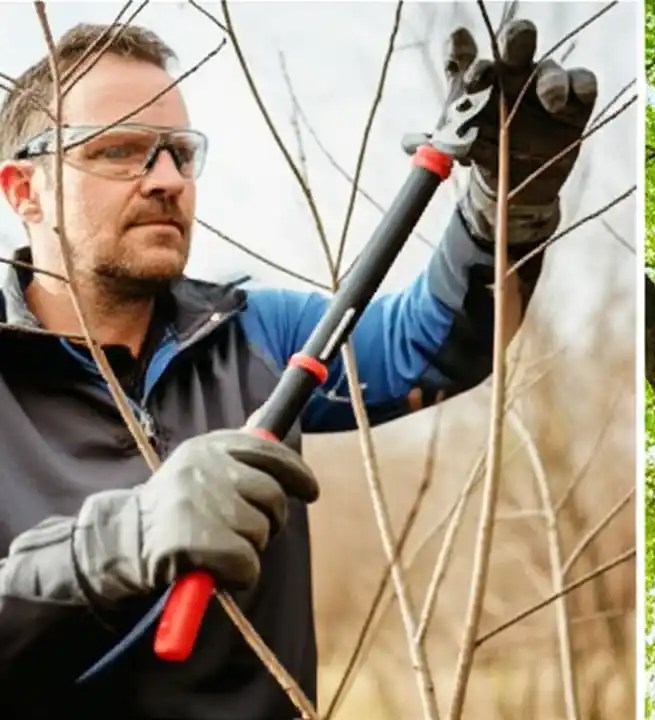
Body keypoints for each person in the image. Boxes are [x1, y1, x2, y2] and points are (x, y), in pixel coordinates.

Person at [0, 19, 596, 719]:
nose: (165, 180)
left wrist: (507, 209)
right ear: (24, 191)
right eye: (121, 150)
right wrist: (116, 545)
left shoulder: (254, 333)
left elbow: (435, 347)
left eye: (180, 154)